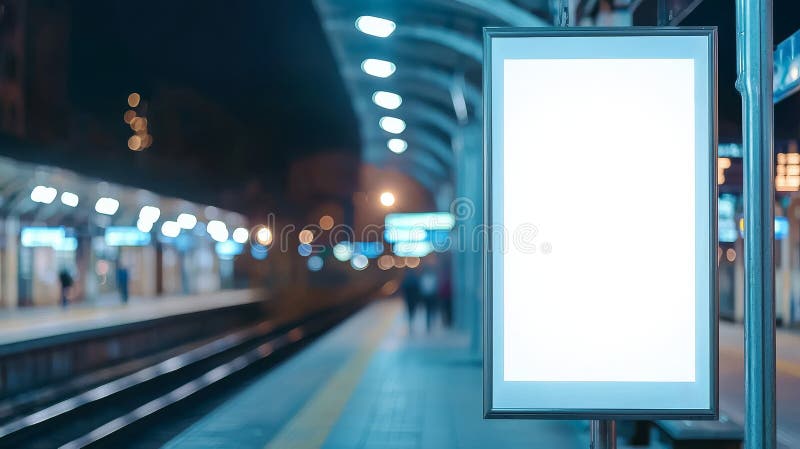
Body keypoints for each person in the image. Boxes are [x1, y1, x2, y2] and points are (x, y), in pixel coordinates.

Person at [401, 268, 420, 333]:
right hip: (414, 299)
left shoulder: (406, 279)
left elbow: (403, 288)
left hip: (408, 298)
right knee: (413, 310)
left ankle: (410, 322)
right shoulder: (415, 278)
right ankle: (412, 320)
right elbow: (418, 288)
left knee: (409, 310)